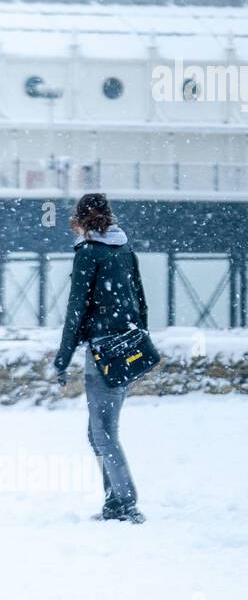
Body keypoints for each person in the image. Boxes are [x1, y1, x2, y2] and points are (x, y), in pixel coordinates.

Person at [52, 193, 149, 524]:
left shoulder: (88, 252)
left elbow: (75, 309)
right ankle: (114, 503)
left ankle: (125, 503)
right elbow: (140, 298)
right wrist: (140, 340)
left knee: (103, 432)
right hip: (128, 347)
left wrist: (63, 358)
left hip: (105, 352)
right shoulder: (123, 247)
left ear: (79, 219)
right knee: (100, 432)